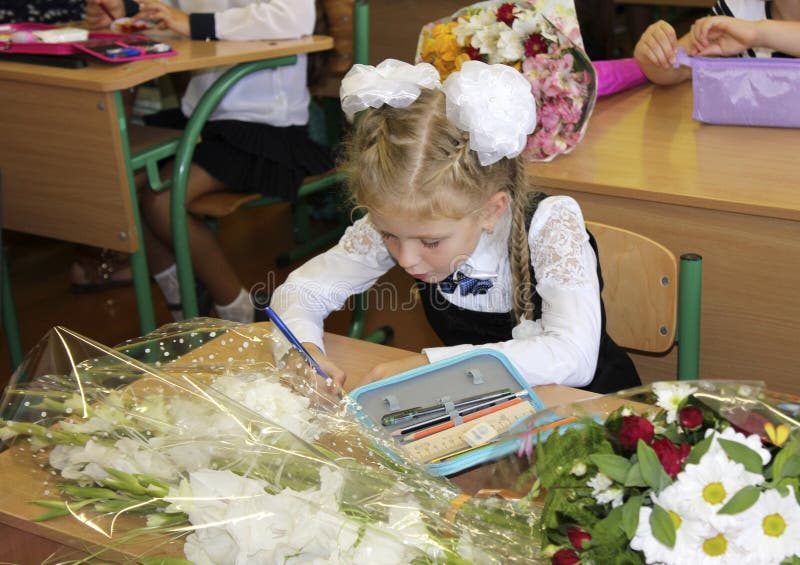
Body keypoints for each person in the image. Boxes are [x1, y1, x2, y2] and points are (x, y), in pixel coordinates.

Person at [270, 59, 640, 394]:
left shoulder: (551, 224)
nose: (407, 260)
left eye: (431, 242)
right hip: (483, 405)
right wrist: (304, 352)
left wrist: (429, 366)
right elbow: (300, 293)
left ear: (491, 210)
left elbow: (572, 356)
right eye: (389, 236)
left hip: (590, 411)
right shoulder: (405, 220)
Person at [85, 0, 332, 322]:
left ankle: (237, 308)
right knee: (124, 188)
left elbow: (294, 17)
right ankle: (183, 297)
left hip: (266, 126)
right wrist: (127, 13)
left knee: (162, 202)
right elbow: (168, 12)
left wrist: (193, 24)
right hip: (205, 116)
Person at [634, 0, 800, 85]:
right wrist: (654, 52)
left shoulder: (749, 28)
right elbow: (675, 68)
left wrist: (757, 33)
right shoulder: (737, 11)